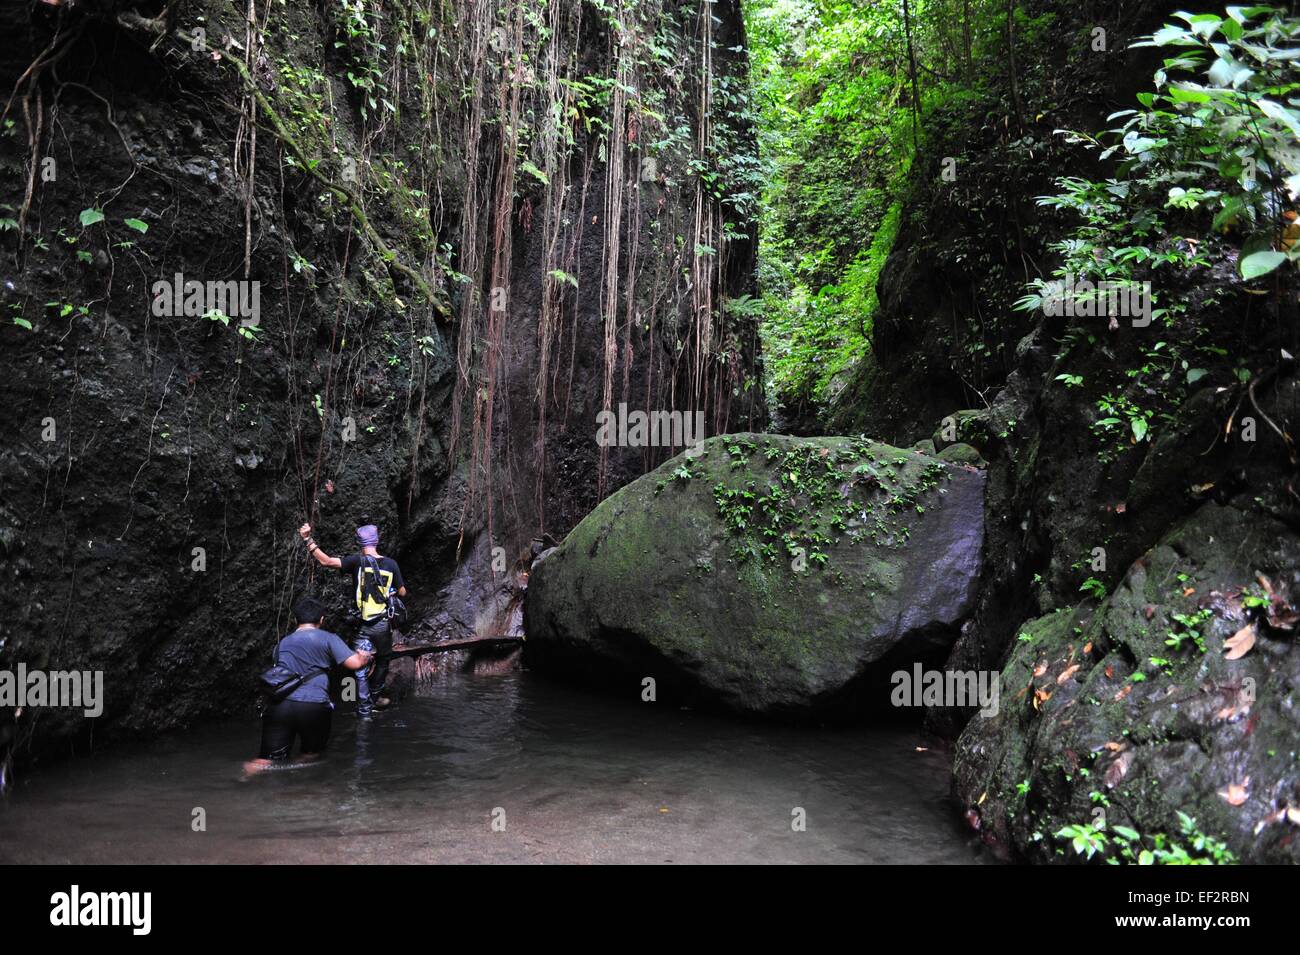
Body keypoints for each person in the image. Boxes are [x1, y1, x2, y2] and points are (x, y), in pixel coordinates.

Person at [243, 596, 371, 776]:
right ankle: (299, 784)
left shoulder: (282, 644)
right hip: (313, 705)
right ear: (321, 620)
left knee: (267, 759)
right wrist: (365, 655)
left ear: (296, 620)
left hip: (279, 706)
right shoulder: (328, 638)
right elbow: (355, 663)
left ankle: (243, 777)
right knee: (311, 754)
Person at [298, 521, 407, 719]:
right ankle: (374, 699)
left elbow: (326, 561)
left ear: (359, 542)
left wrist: (307, 539)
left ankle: (360, 705)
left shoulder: (355, 562)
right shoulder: (391, 564)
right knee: (383, 660)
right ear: (377, 540)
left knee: (359, 664)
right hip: (382, 625)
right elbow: (402, 591)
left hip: (361, 625)